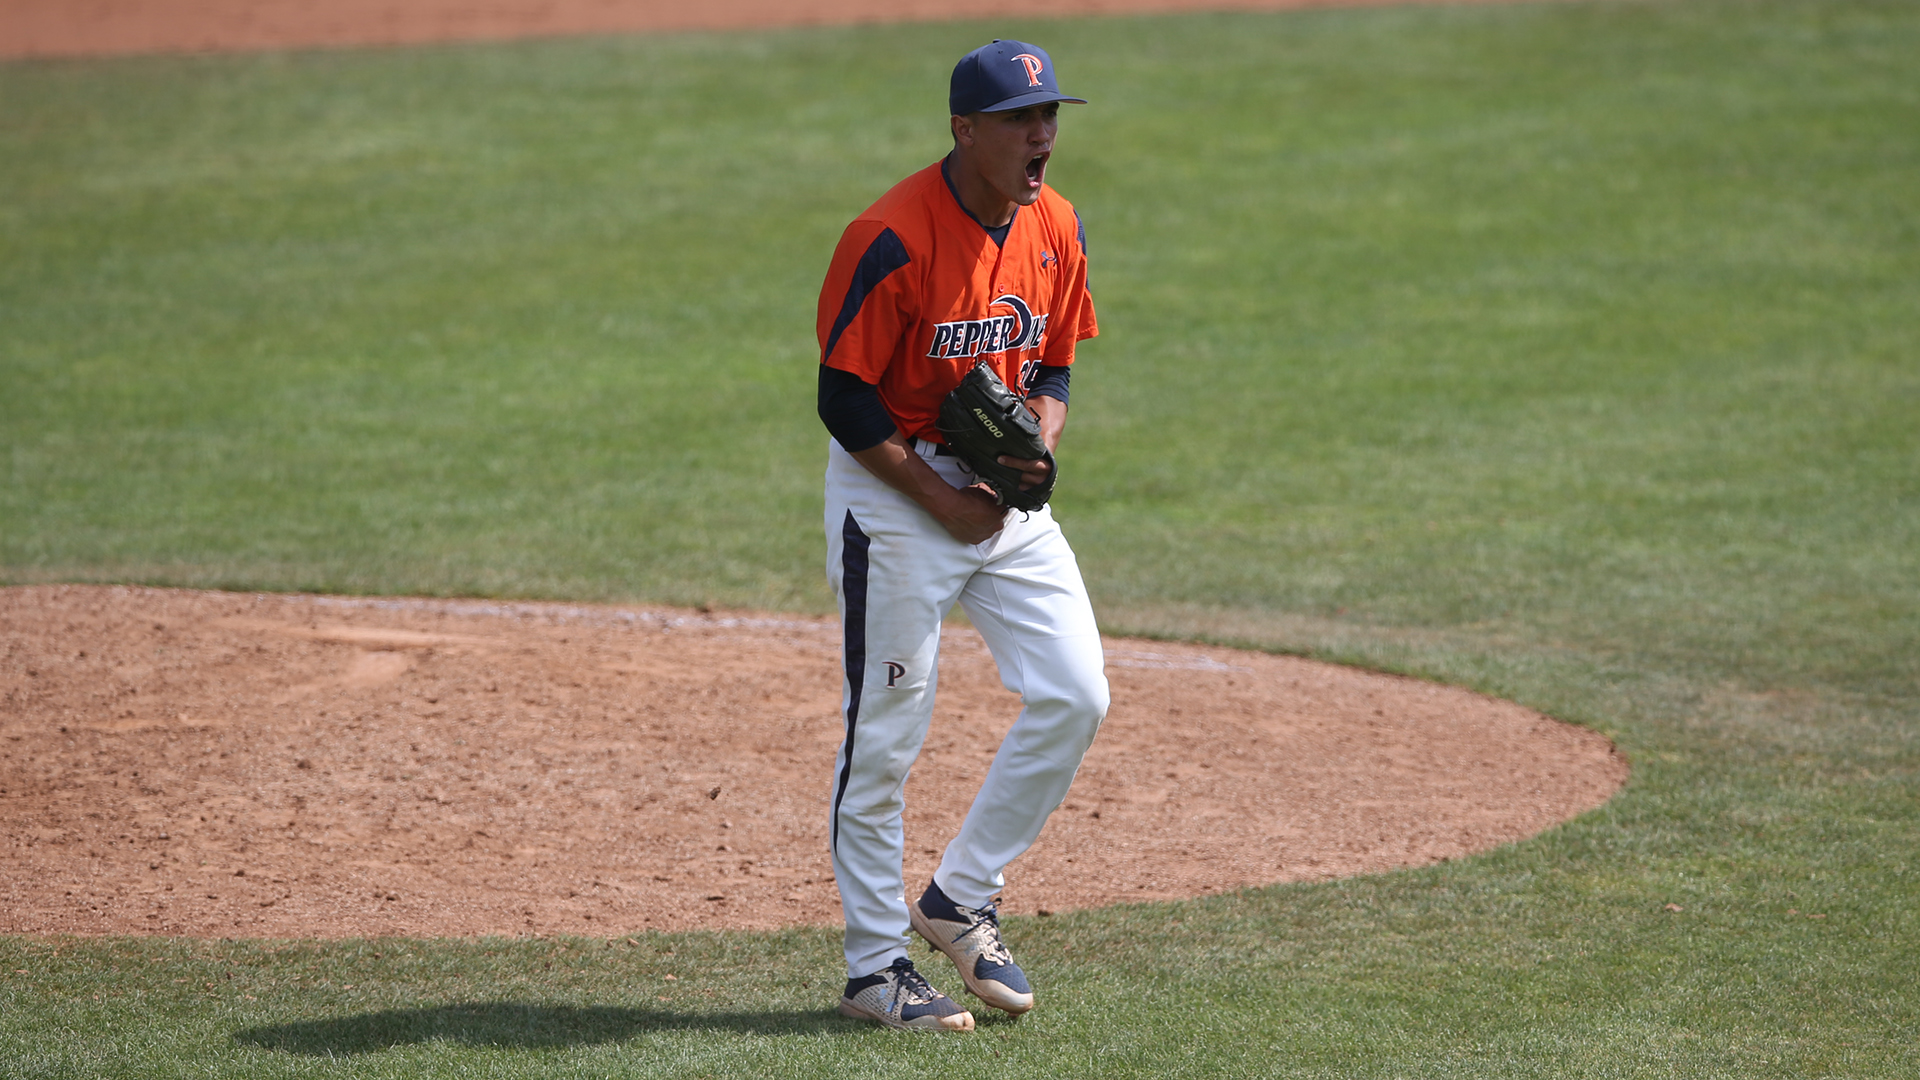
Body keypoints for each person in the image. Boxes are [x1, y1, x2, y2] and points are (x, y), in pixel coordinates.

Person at [813, 39, 1109, 1032]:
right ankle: (872, 970)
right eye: (1023, 120)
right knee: (887, 737)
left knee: (1075, 691)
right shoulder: (890, 238)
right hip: (894, 499)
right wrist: (945, 503)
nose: (1043, 134)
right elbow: (844, 399)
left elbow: (1056, 364)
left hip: (1001, 506)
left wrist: (1034, 443)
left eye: (1050, 116)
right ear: (965, 130)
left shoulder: (1055, 224)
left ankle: (957, 897)